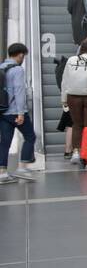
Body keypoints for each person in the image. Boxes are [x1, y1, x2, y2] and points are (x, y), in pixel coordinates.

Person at [0, 43, 38, 184]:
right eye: (24, 55)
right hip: (16, 111)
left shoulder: (1, 67)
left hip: (3, 111)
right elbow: (19, 92)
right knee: (30, 136)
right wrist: (21, 113)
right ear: (21, 54)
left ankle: (2, 173)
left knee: (5, 142)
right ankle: (22, 167)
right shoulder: (17, 70)